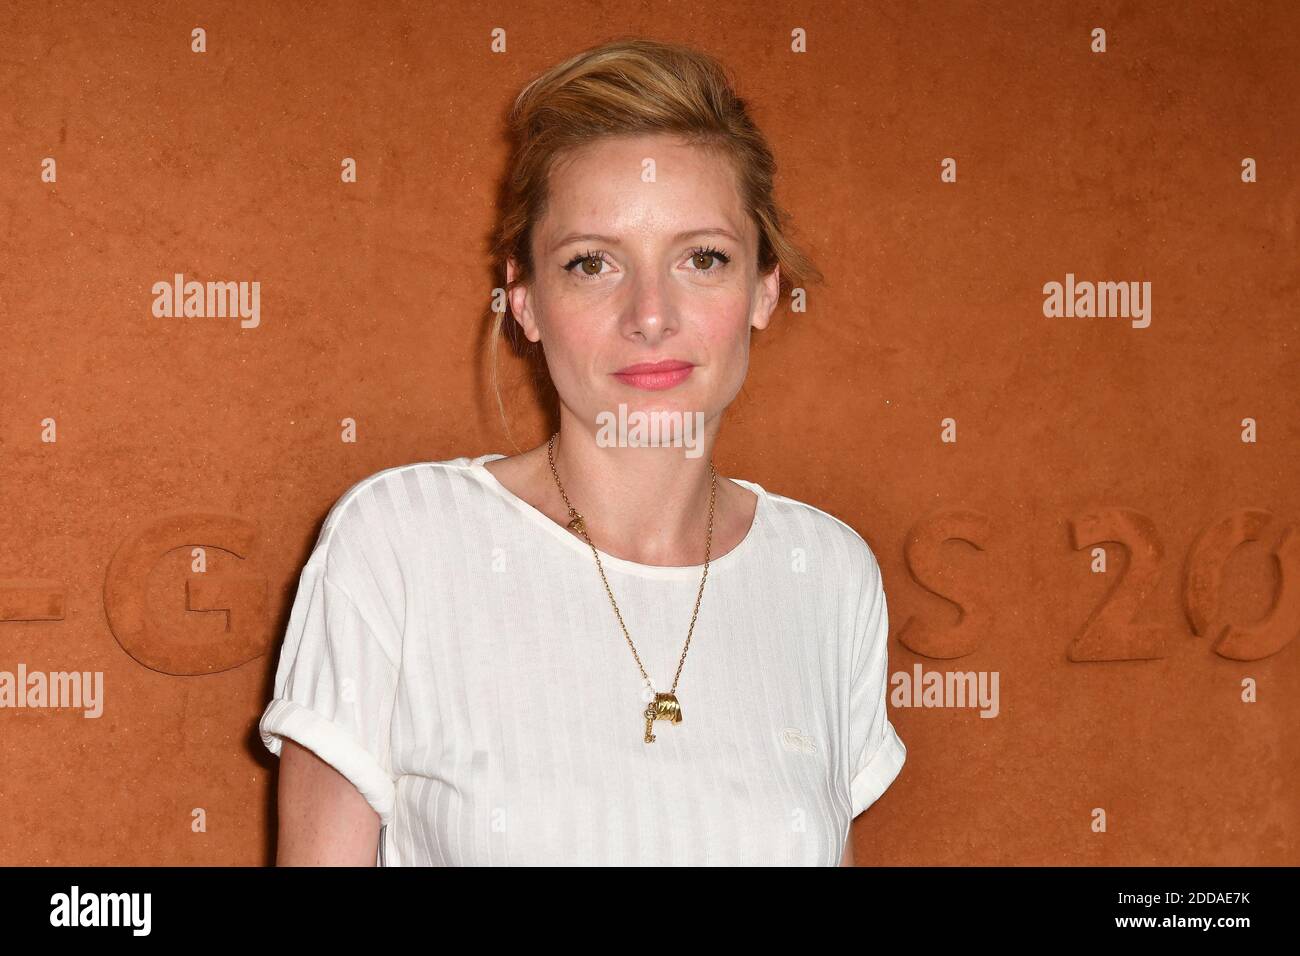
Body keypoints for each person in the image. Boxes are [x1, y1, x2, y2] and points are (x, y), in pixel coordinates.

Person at [258, 37, 905, 866]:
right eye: (592, 263)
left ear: (765, 290)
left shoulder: (829, 573)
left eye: (702, 258)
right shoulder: (398, 543)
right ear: (524, 300)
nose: (650, 314)